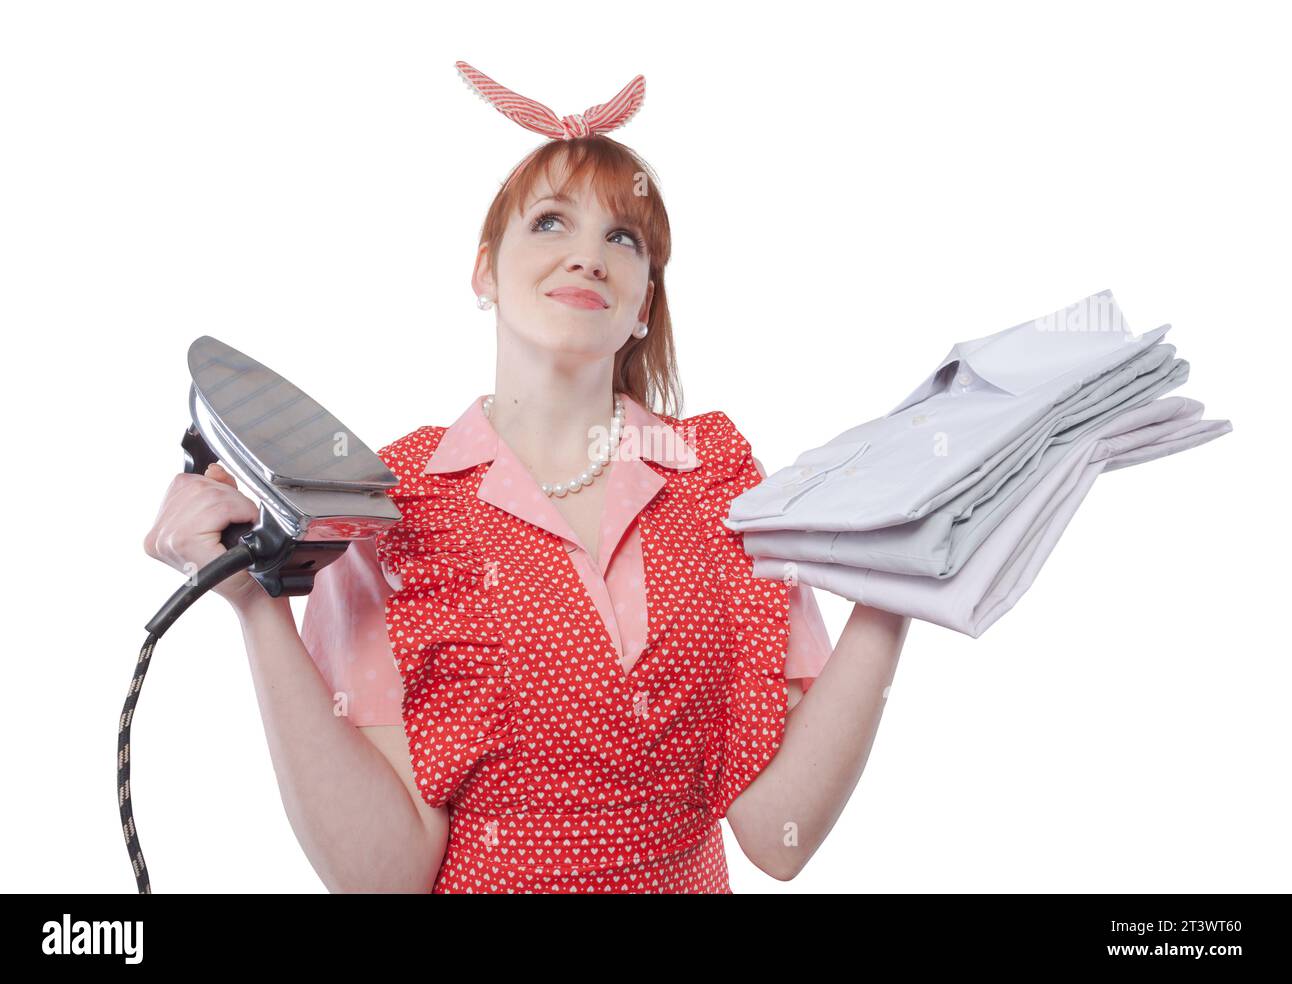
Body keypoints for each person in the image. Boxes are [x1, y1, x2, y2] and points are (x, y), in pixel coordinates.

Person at [143, 62, 910, 893]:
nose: (587, 256)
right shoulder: (389, 504)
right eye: (550, 223)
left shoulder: (717, 480)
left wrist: (900, 582)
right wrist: (257, 606)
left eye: (624, 239)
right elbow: (385, 875)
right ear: (484, 273)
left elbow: (778, 836)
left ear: (645, 302)